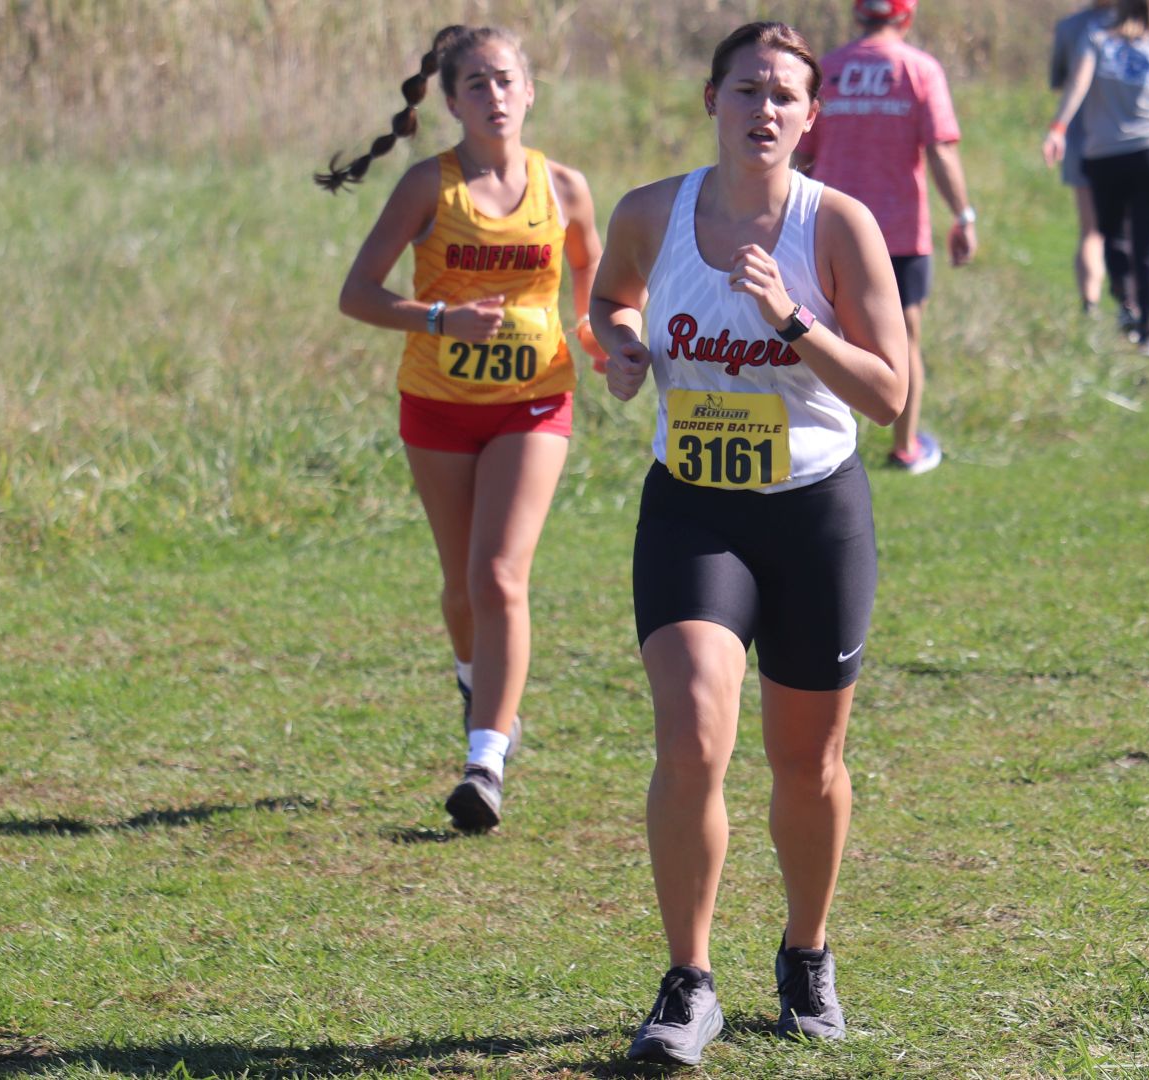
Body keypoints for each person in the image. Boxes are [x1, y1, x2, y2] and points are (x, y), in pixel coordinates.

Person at [588, 21, 907, 1066]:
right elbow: (609, 298)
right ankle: (689, 982)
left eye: (783, 96)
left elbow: (894, 392)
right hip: (695, 509)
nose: (763, 110)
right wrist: (622, 345)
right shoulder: (650, 213)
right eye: (745, 91)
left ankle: (806, 953)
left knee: (806, 764)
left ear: (811, 118)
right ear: (710, 102)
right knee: (689, 736)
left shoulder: (839, 226)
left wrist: (793, 324)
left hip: (815, 513)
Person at [319, 24, 604, 832]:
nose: (495, 97)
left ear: (532, 90)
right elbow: (358, 294)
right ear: (450, 101)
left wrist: (607, 342)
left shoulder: (566, 189)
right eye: (476, 84)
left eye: (507, 80)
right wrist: (441, 318)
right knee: (462, 587)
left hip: (535, 403)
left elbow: (593, 289)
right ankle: (473, 680)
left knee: (500, 575)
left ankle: (485, 762)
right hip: (438, 406)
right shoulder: (426, 187)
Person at [794, 0, 973, 477]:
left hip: (826, 229)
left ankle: (827, 444)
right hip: (899, 231)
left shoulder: (827, 69)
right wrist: (963, 214)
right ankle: (905, 446)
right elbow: (940, 151)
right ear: (906, 16)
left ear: (858, 16)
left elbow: (801, 154)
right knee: (906, 337)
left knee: (824, 332)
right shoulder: (920, 69)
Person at [1042, 0, 1149, 360]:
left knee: (1113, 236)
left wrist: (1058, 128)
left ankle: (1124, 302)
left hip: (1104, 155)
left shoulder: (1097, 39)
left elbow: (1077, 84)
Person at [1050, 0, 1117, 322]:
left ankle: (1090, 302)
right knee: (1124, 231)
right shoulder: (1138, 24)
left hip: (1080, 141)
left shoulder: (1069, 28)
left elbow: (1061, 83)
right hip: (1126, 144)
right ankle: (1129, 305)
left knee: (1091, 231)